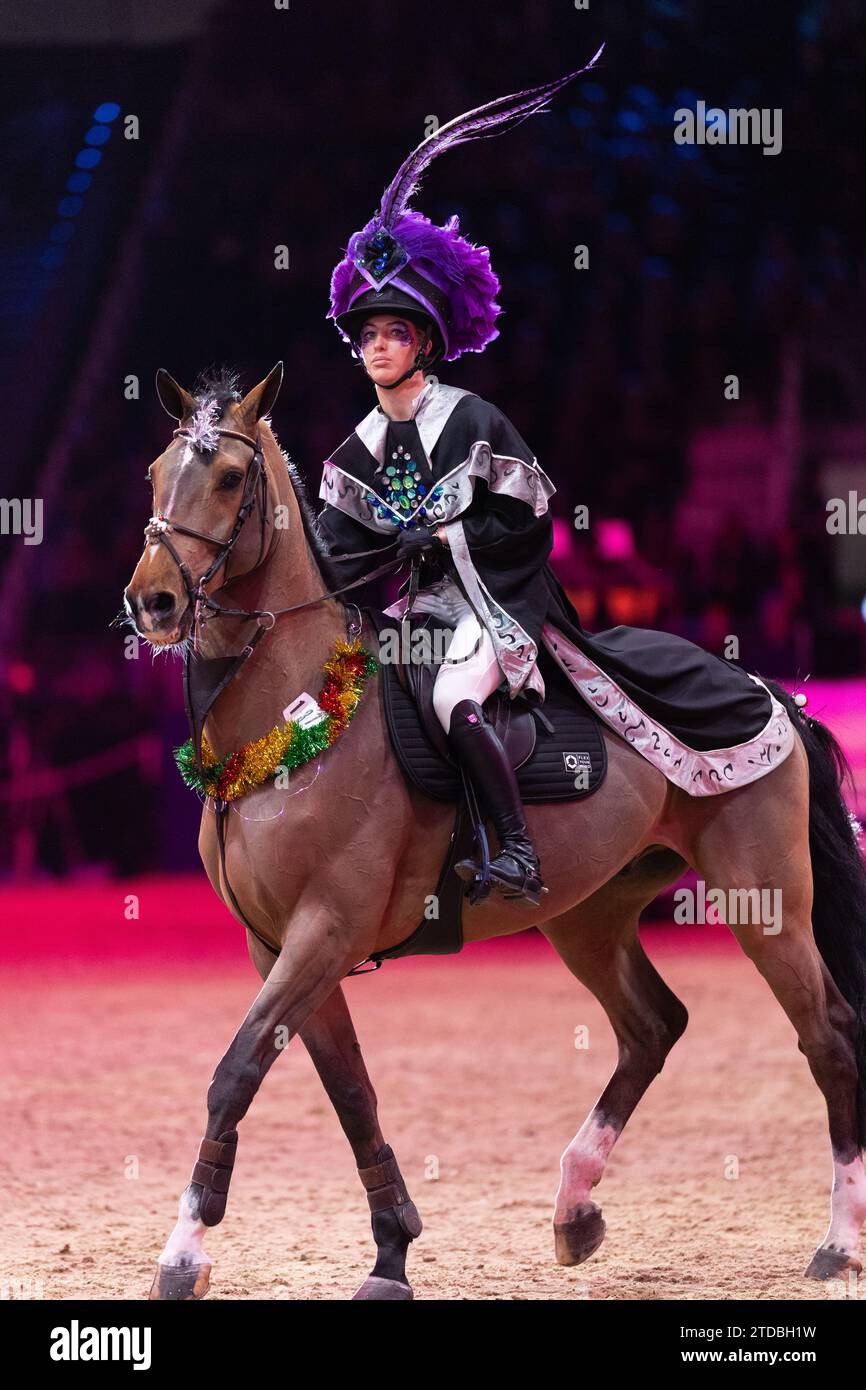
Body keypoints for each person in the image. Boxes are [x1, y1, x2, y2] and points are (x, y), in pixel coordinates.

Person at [315, 61, 796, 906]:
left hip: (486, 612)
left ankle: (515, 851)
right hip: (402, 622)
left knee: (456, 695)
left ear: (426, 343)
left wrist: (444, 540)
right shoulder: (350, 450)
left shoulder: (472, 421)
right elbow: (338, 555)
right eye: (368, 334)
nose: (379, 346)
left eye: (396, 332)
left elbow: (528, 525)